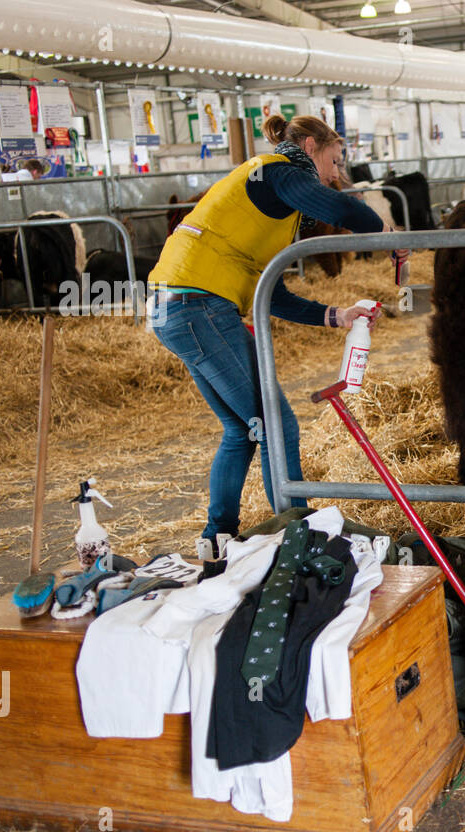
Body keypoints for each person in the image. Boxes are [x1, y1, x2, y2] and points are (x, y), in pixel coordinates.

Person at [148, 113, 405, 549]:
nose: (335, 174)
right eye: (334, 161)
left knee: (243, 428)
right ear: (309, 147)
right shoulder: (276, 173)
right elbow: (339, 207)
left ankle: (217, 538)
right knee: (276, 423)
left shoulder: (276, 203)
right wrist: (387, 234)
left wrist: (336, 315)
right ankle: (297, 535)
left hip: (179, 305)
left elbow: (273, 294)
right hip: (197, 303)